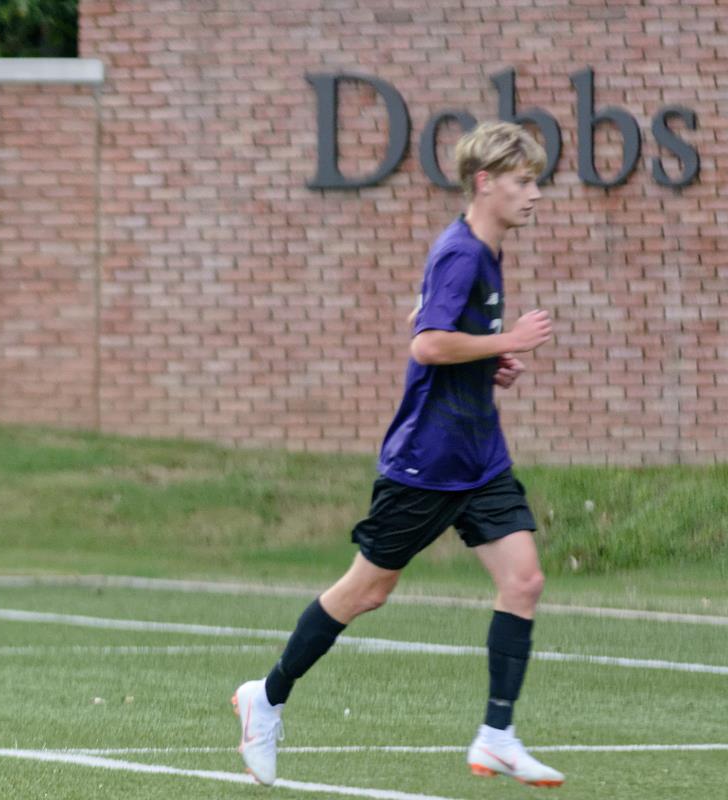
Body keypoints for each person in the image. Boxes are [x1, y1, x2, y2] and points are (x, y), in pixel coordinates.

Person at [232, 121, 563, 789]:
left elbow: (452, 346)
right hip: (428, 459)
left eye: (536, 180)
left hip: (481, 456)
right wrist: (509, 343)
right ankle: (264, 700)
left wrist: (490, 364)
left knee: (523, 581)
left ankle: (497, 735)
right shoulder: (461, 254)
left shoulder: (487, 252)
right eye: (524, 181)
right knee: (366, 592)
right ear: (485, 183)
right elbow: (429, 344)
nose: (536, 193)